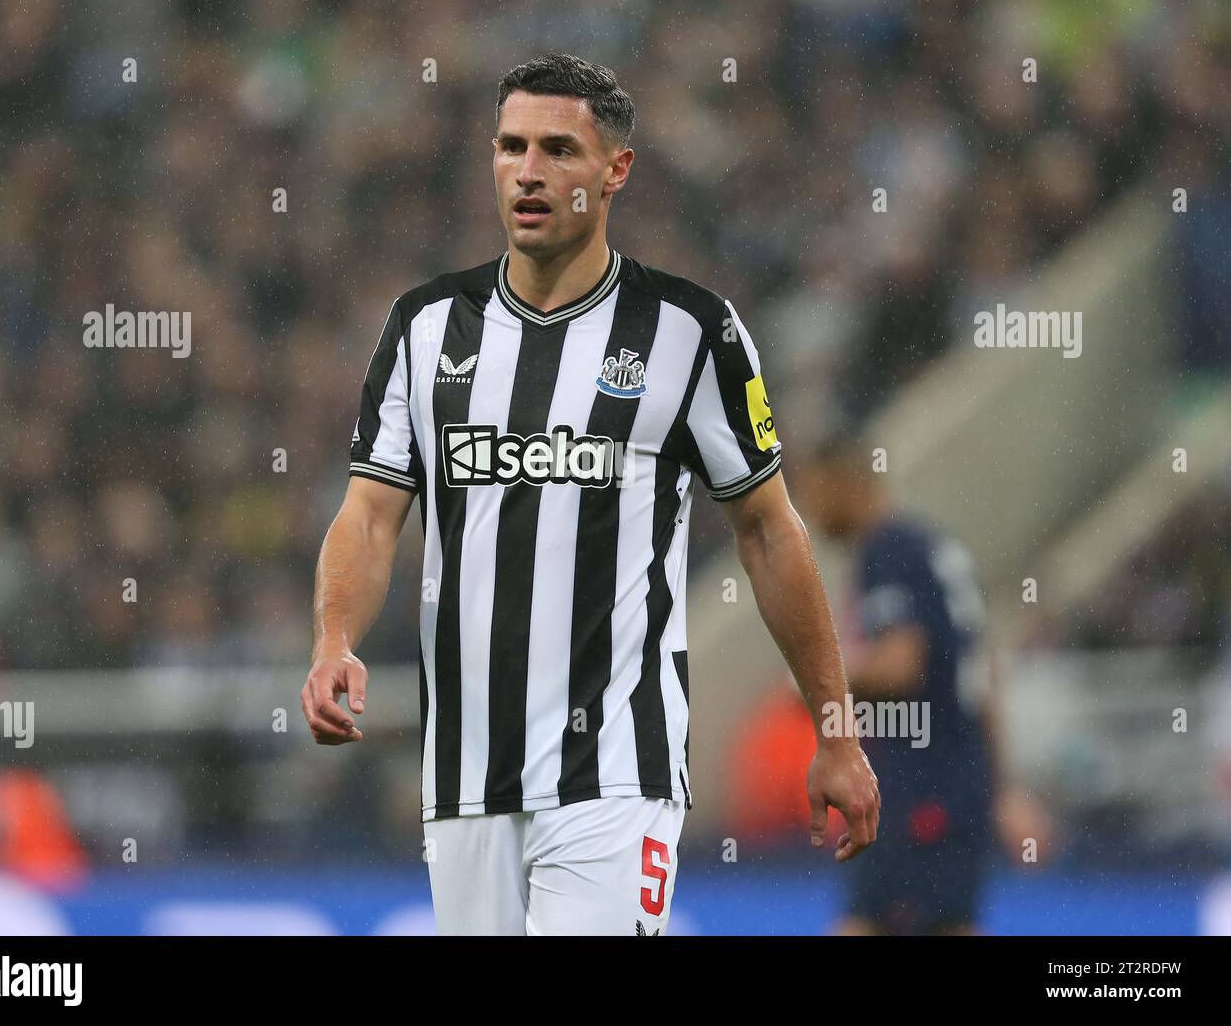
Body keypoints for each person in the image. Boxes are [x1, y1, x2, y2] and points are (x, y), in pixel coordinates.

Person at [302, 52, 878, 936]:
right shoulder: (425, 328)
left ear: (616, 171)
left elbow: (770, 533)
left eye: (559, 150)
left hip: (618, 768)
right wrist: (334, 637)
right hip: (464, 776)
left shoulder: (690, 332)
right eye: (510, 146)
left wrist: (834, 730)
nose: (528, 172)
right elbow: (372, 515)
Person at [795, 431, 1048, 934]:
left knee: (864, 923)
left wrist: (813, 679)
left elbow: (899, 665)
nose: (806, 509)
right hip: (959, 773)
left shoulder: (887, 549)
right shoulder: (931, 545)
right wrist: (1000, 786)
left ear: (844, 482)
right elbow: (984, 674)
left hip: (918, 776)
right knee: (946, 923)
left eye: (810, 490)